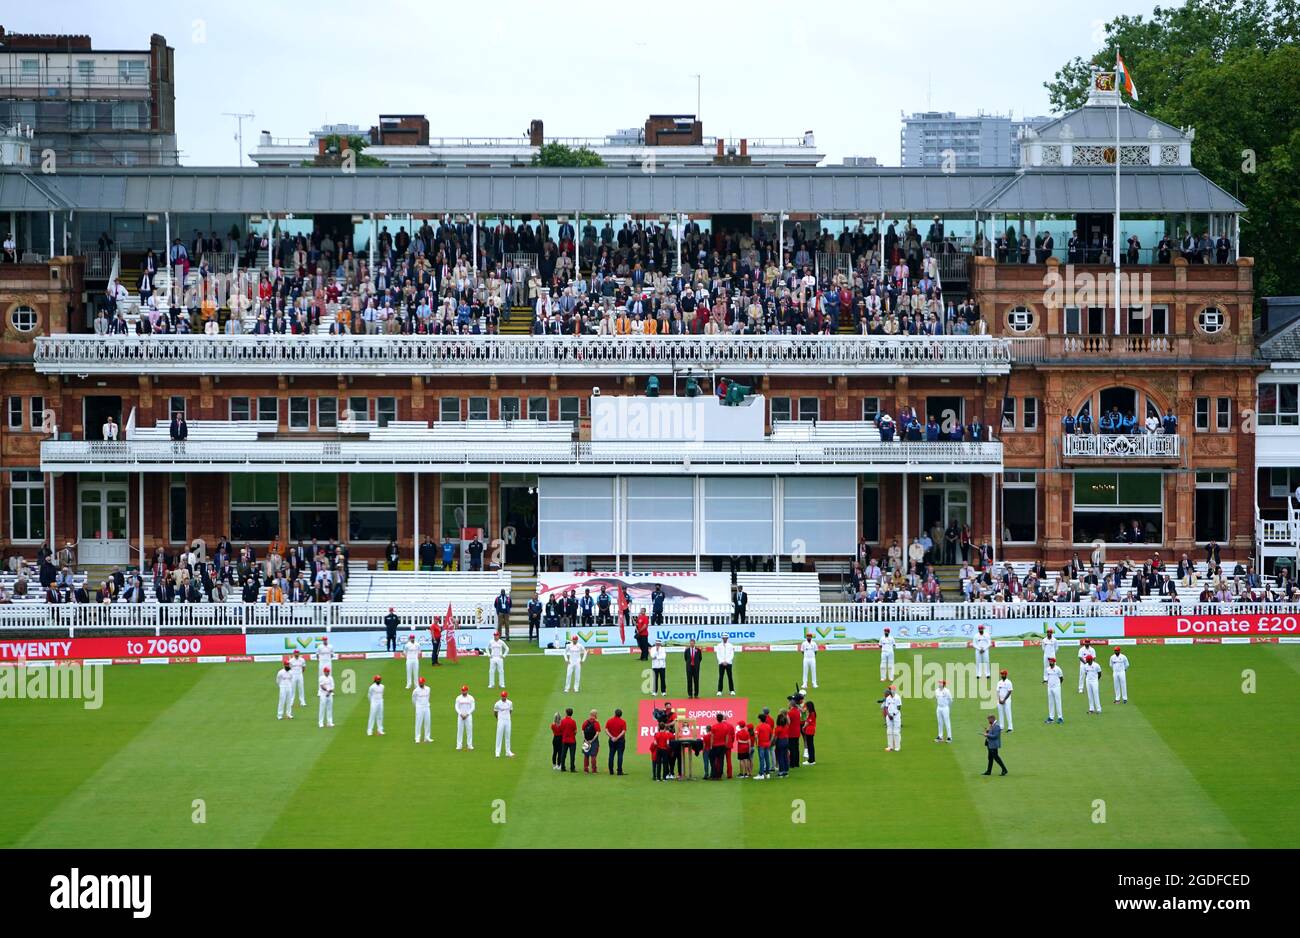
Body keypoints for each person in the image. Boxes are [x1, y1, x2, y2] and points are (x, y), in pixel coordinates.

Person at [708, 713, 732, 780]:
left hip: (715, 745)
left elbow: (712, 737)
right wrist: (725, 744)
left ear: (717, 718)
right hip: (723, 745)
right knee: (721, 760)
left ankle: (714, 773)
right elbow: (727, 737)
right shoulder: (725, 727)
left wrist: (711, 746)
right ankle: (719, 775)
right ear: (722, 719)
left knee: (713, 759)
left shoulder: (714, 726)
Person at [605, 708, 627, 775]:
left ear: (615, 713)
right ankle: (619, 771)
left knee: (611, 754)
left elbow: (606, 730)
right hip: (620, 740)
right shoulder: (623, 722)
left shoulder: (610, 721)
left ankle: (611, 770)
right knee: (620, 755)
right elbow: (623, 731)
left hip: (612, 740)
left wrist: (612, 737)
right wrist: (617, 738)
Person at [493, 691, 514, 758]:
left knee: (508, 736)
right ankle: (497, 752)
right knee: (499, 736)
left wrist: (507, 717)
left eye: (504, 696)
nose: (503, 697)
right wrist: (499, 719)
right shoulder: (497, 704)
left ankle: (508, 752)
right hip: (501, 721)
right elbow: (495, 713)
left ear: (506, 696)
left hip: (508, 721)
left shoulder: (510, 703)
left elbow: (510, 711)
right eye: (502, 696)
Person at [881, 685, 902, 752]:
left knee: (896, 732)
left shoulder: (897, 697)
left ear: (893, 690)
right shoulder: (888, 698)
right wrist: (888, 714)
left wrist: (893, 715)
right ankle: (890, 747)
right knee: (889, 732)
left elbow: (899, 708)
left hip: (896, 716)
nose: (888, 690)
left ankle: (897, 747)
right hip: (889, 716)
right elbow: (886, 707)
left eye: (890, 689)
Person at [455, 684, 476, 750]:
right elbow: (456, 707)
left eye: (464, 691)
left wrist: (467, 714)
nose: (463, 692)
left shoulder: (471, 698)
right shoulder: (458, 698)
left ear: (467, 691)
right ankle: (459, 745)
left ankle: (469, 745)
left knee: (469, 730)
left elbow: (473, 707)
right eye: (462, 691)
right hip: (460, 716)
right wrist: (460, 713)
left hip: (468, 716)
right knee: (460, 730)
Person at [1044, 657, 1065, 724]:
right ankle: (1051, 717)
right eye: (1049, 661)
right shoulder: (1047, 669)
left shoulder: (1058, 669)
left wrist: (1058, 685)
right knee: (1050, 702)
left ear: (1054, 662)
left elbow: (1061, 678)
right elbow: (1047, 678)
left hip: (1056, 688)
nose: (1050, 662)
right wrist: (1047, 682)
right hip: (1049, 688)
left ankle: (1060, 717)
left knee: (1058, 702)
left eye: (1051, 661)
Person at [755, 710, 774, 779]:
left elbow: (756, 736)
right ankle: (767, 773)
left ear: (760, 719)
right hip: (767, 744)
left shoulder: (758, 726)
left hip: (761, 745)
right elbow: (772, 735)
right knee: (767, 758)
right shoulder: (768, 726)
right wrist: (770, 742)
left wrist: (756, 743)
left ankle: (761, 774)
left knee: (761, 759)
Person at [412, 677, 433, 744]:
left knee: (428, 722)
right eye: (420, 682)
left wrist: (426, 704)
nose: (421, 683)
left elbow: (428, 697)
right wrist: (417, 706)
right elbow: (413, 699)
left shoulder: (428, 689)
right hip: (419, 708)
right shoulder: (416, 690)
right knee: (418, 723)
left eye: (422, 682)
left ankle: (427, 737)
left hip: (427, 707)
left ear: (424, 682)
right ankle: (417, 738)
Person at [558, 707, 578, 772]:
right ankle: (572, 768)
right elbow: (575, 731)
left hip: (564, 740)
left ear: (566, 713)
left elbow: (560, 729)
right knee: (572, 755)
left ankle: (562, 767)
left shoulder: (562, 721)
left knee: (563, 754)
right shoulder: (573, 721)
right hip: (572, 740)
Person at [934, 677, 954, 742]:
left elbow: (950, 700)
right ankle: (940, 736)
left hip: (945, 708)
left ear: (943, 684)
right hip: (939, 708)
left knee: (947, 722)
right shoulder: (936, 691)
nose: (939, 684)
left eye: (940, 683)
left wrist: (947, 706)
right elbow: (937, 698)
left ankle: (949, 737)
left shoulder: (947, 691)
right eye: (939, 683)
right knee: (940, 722)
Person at [774, 712, 791, 777]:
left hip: (780, 742)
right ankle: (786, 771)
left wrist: (773, 743)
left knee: (780, 756)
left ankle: (781, 771)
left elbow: (775, 738)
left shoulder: (778, 728)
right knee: (785, 756)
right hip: (786, 741)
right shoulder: (786, 727)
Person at [802, 700, 817, 765]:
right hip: (810, 730)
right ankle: (811, 759)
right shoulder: (812, 713)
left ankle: (811, 760)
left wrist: (803, 727)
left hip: (810, 730)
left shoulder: (812, 713)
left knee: (810, 745)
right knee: (810, 745)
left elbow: (808, 722)